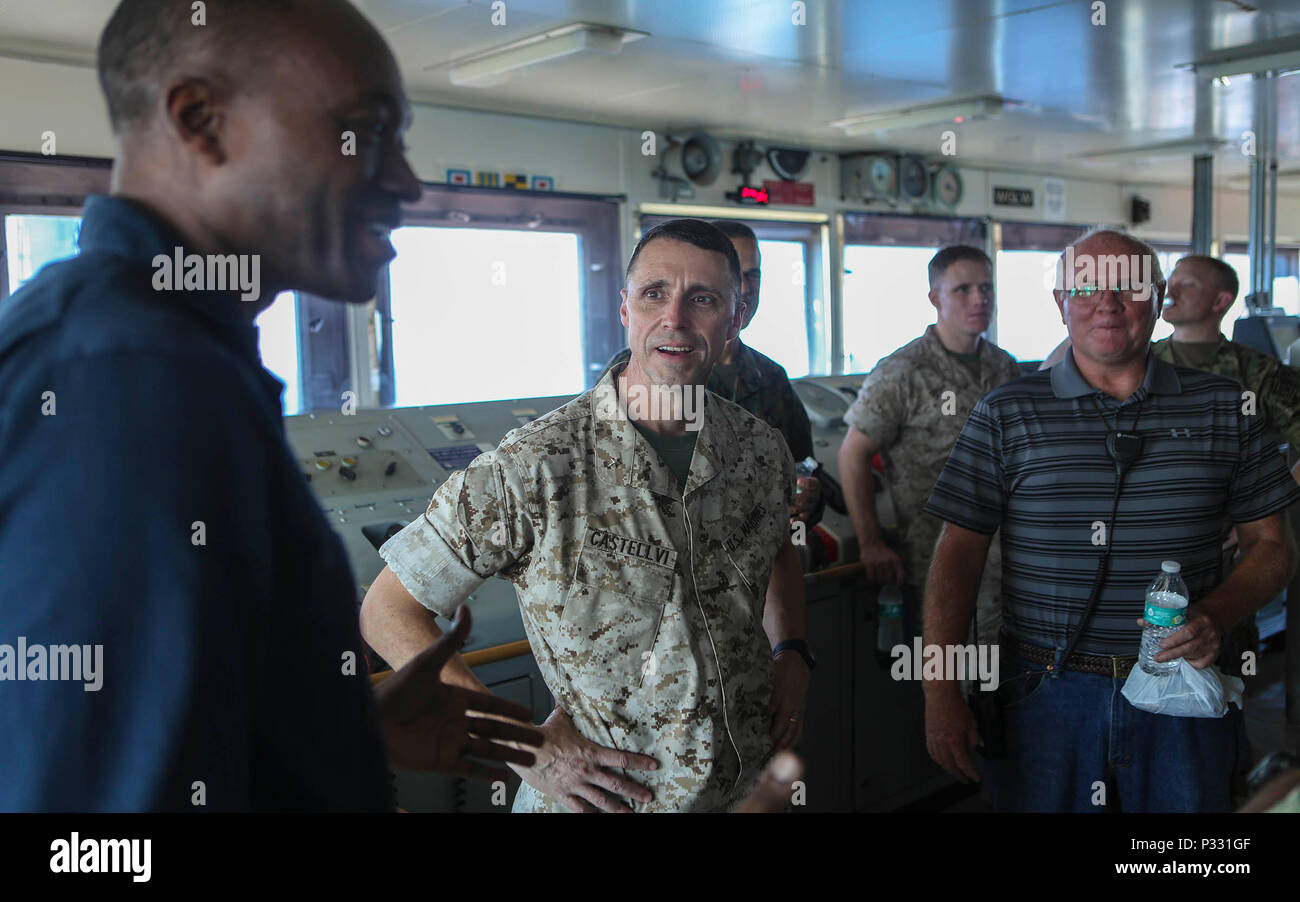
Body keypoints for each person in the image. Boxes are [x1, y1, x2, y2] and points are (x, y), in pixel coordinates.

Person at [0, 0, 541, 811]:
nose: (405, 181)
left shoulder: (164, 347)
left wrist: (329, 725)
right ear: (202, 121)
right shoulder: (132, 380)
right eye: (365, 132)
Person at [361, 219, 812, 812]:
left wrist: (794, 651)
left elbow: (778, 541)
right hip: (607, 799)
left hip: (746, 789)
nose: (674, 319)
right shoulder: (538, 466)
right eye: (654, 294)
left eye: (703, 299)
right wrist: (525, 746)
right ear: (625, 309)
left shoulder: (759, 450)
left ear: (736, 320)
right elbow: (387, 609)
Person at [922, 228, 1299, 812]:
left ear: (1155, 297)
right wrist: (940, 689)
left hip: (1184, 689)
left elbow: (1272, 545)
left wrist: (1215, 614)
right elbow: (957, 553)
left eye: (1128, 286)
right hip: (1044, 694)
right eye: (1088, 286)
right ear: (1059, 303)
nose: (1108, 302)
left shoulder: (1227, 407)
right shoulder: (1007, 412)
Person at [838, 245, 1020, 642]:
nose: (980, 299)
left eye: (986, 288)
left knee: (1000, 680)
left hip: (1005, 559)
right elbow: (853, 454)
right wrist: (869, 541)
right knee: (947, 679)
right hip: (933, 557)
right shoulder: (902, 372)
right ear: (935, 298)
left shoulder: (1002, 366)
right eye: (964, 289)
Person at [603, 220, 825, 524]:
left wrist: (807, 504)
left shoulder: (769, 377)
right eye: (736, 275)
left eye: (752, 276)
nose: (745, 288)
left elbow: (800, 470)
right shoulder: (636, 371)